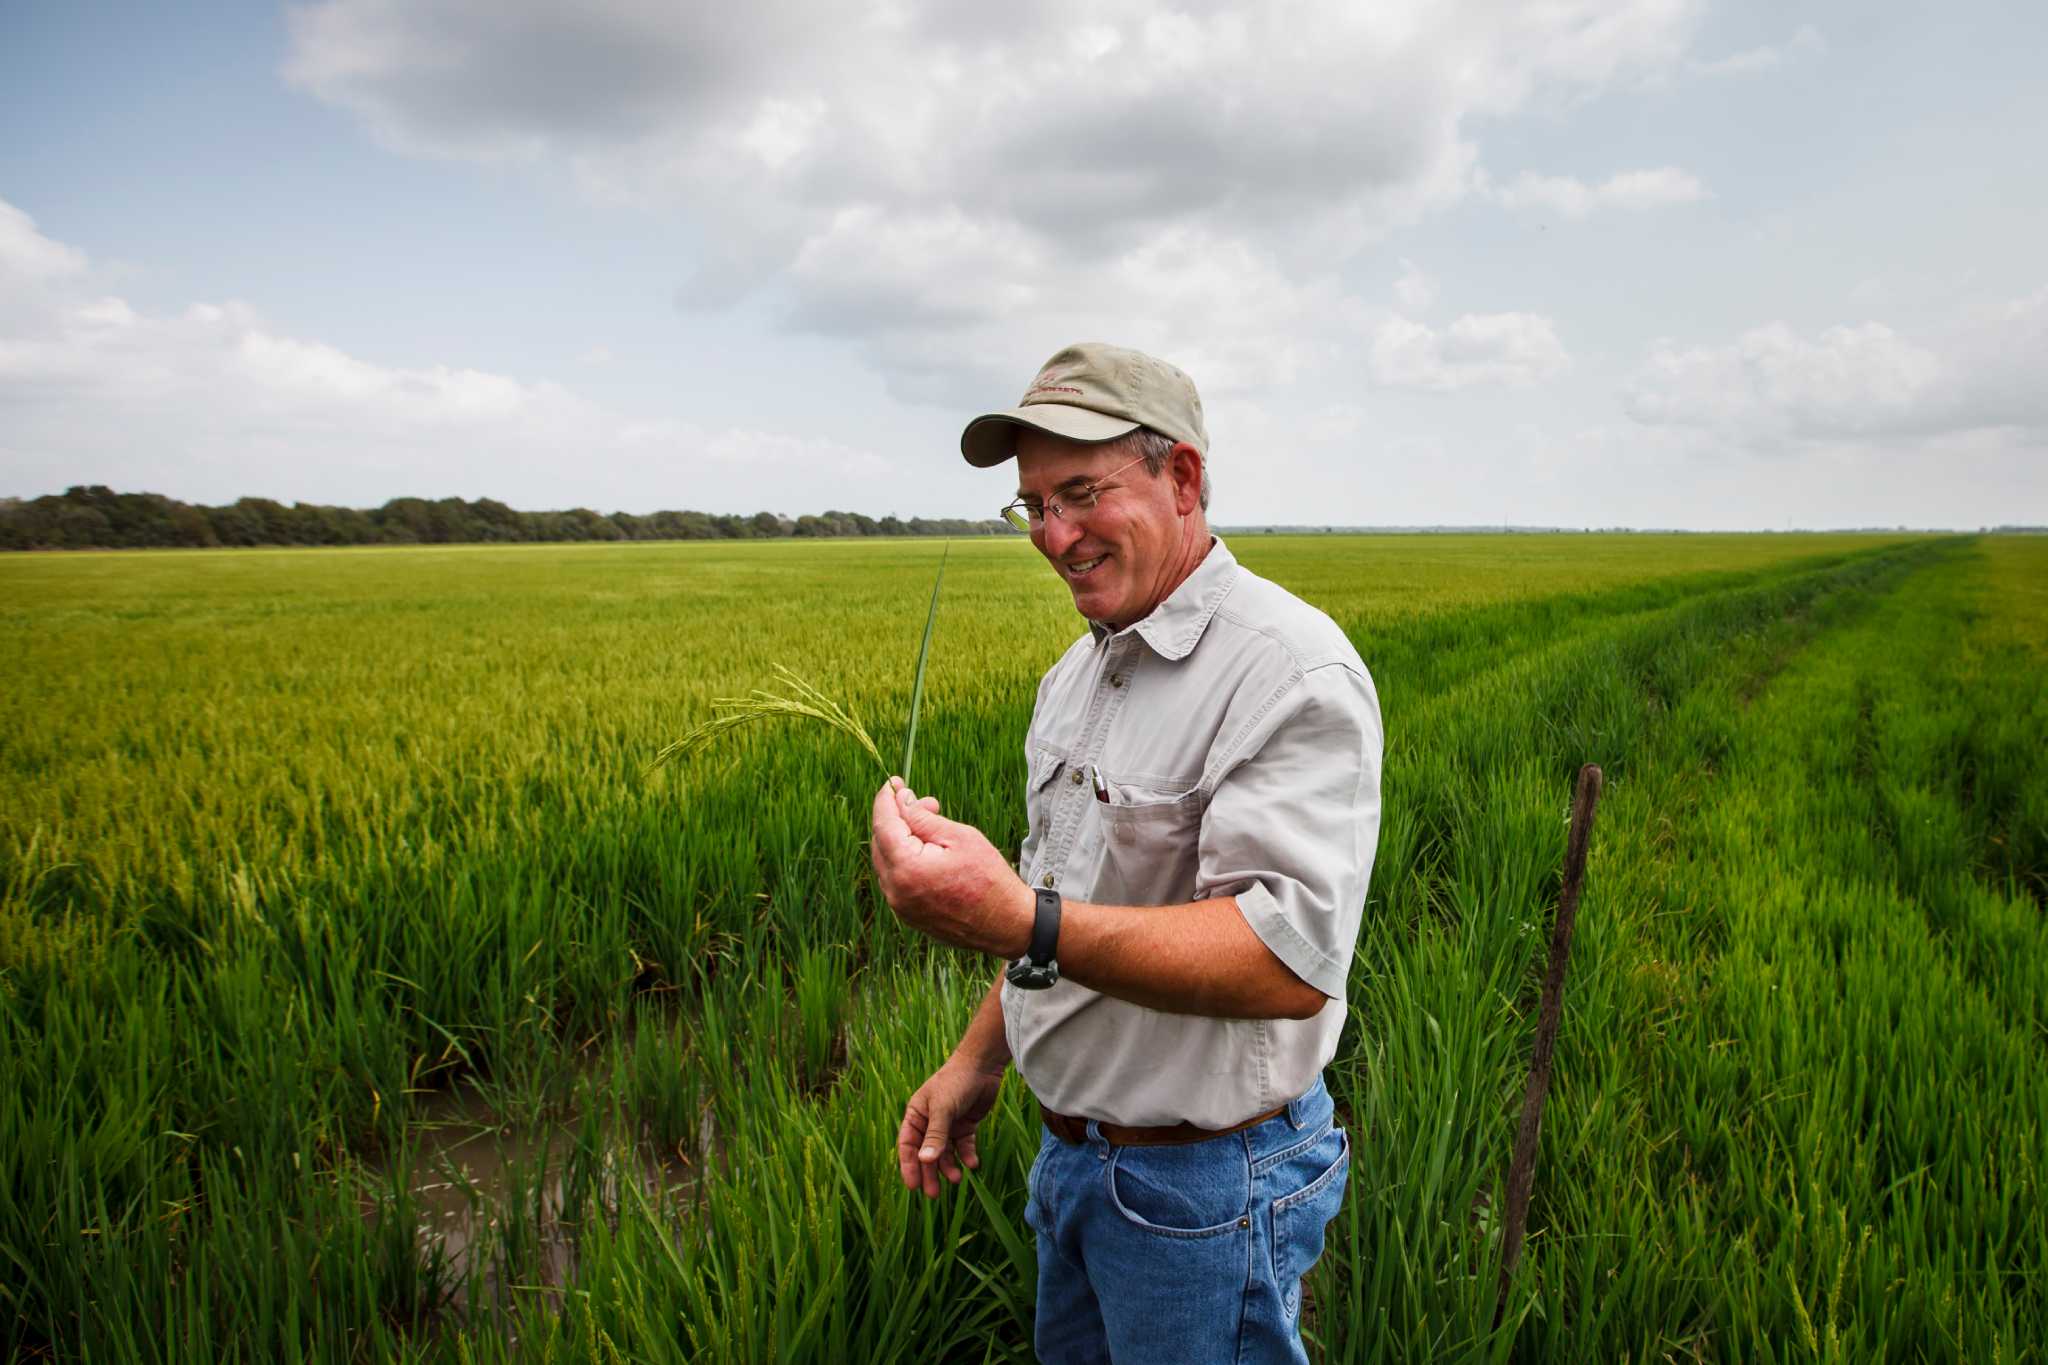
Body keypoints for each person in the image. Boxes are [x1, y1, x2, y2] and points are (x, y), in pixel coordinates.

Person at [869, 341, 1382, 1364]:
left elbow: (1286, 962)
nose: (1054, 536)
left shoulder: (1288, 673)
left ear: (1181, 477)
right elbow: (1070, 895)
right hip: (1070, 1165)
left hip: (1209, 1191)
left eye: (1080, 493)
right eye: (1031, 506)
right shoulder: (1076, 674)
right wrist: (979, 1061)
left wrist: (1014, 916)